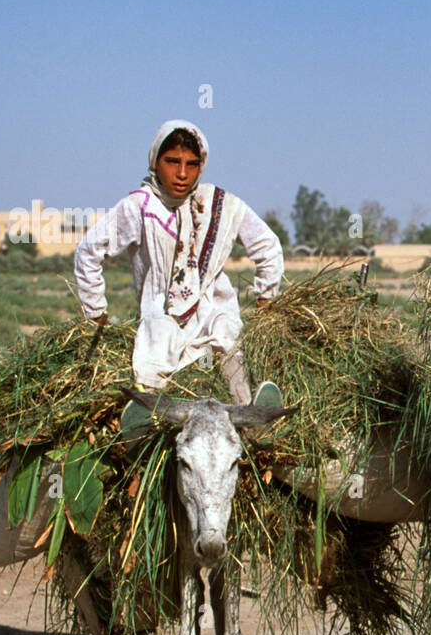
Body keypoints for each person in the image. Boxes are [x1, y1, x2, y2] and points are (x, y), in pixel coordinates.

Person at [74, 120, 285, 432]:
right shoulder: (139, 207)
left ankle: (255, 423)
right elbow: (88, 251)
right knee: (154, 353)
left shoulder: (219, 203)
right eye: (172, 162)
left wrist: (266, 303)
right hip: (161, 313)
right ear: (155, 161)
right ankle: (142, 426)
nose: (183, 174)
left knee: (230, 340)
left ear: (202, 166)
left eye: (192, 164)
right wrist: (96, 314)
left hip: (215, 311)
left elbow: (268, 245)